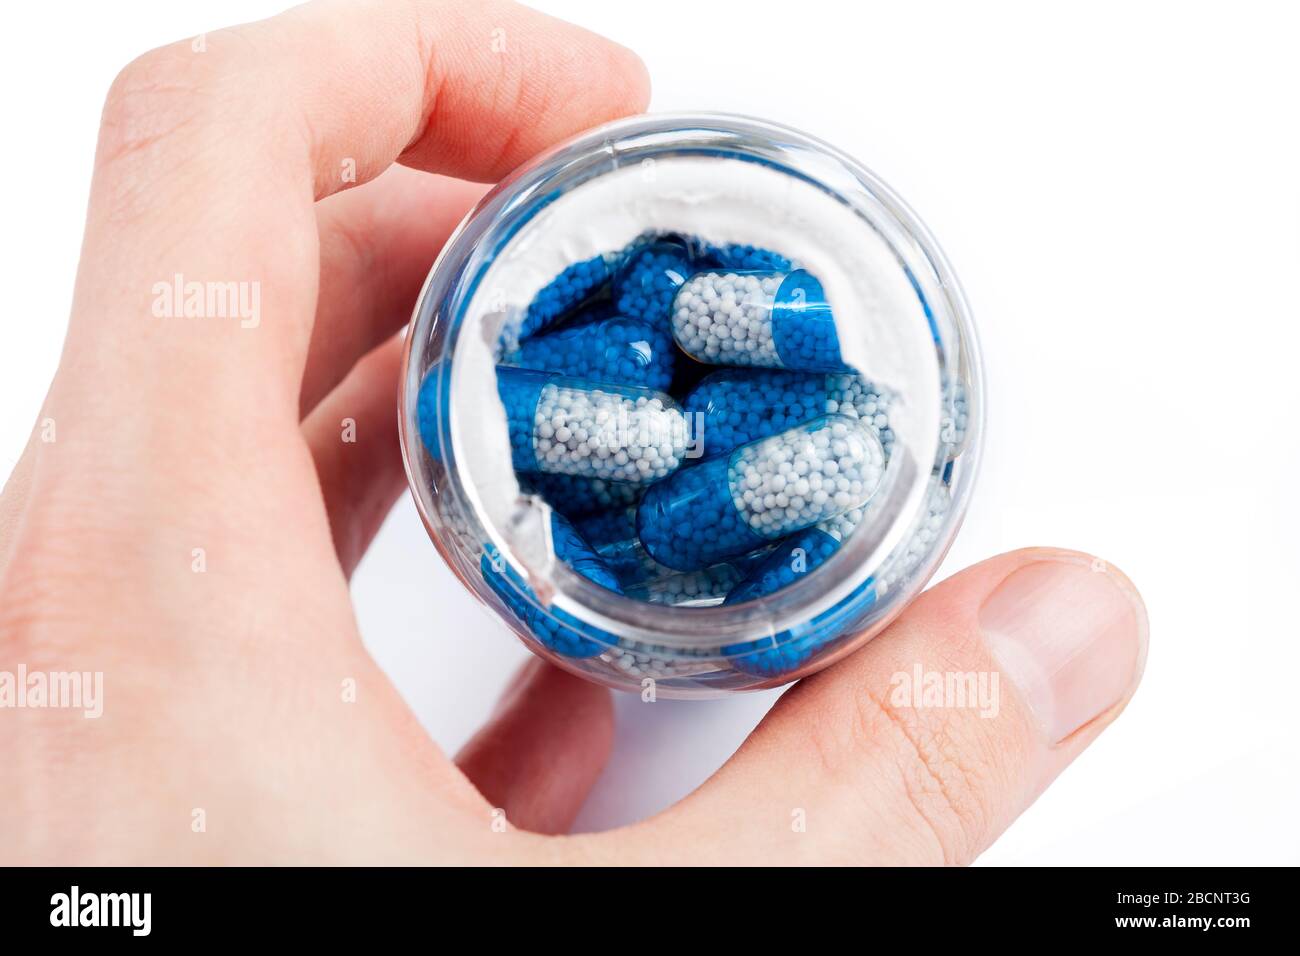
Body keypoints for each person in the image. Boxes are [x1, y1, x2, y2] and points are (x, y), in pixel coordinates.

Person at [0, 0, 1146, 865]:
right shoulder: (641, 370)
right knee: (655, 412)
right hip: (607, 499)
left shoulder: (725, 368)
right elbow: (663, 448)